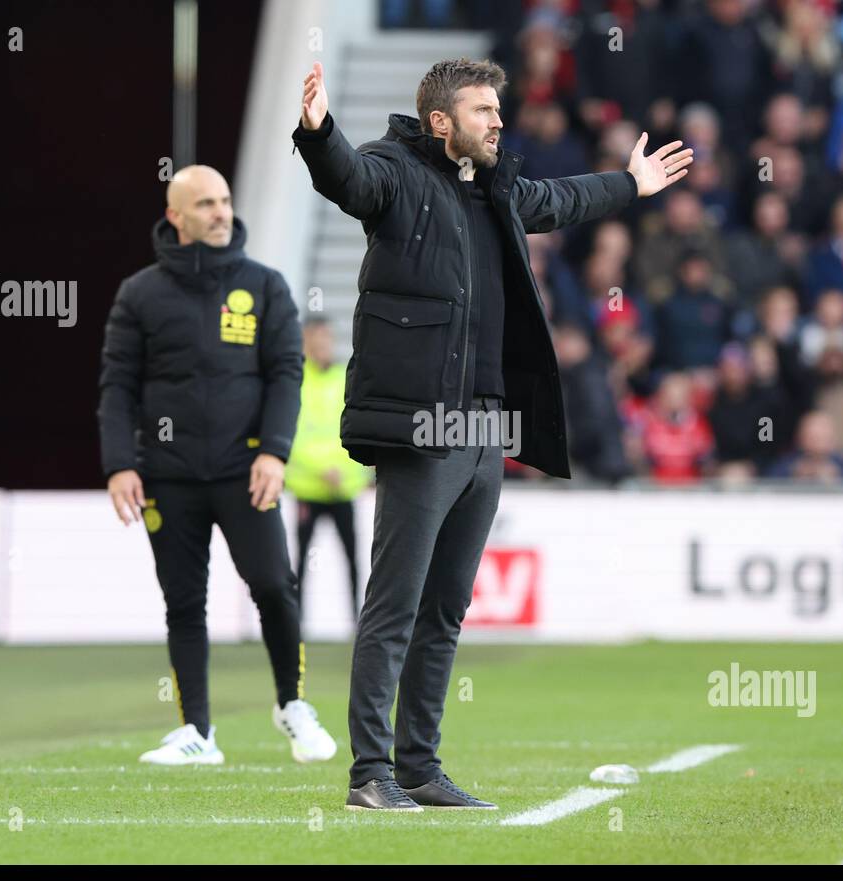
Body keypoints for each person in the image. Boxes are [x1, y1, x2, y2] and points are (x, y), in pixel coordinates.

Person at [293, 58, 691, 810]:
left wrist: (629, 185)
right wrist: (317, 133)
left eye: (499, 111)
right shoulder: (394, 171)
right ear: (441, 121)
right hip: (424, 426)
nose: (498, 122)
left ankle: (418, 766)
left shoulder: (499, 187)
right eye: (483, 111)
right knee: (396, 604)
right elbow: (348, 181)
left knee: (446, 607)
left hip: (485, 426)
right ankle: (369, 773)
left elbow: (560, 199)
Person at [97, 164, 336, 766]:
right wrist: (120, 464)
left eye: (225, 200)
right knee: (183, 603)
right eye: (205, 203)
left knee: (275, 588)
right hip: (167, 475)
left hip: (245, 469)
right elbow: (117, 387)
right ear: (176, 216)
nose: (221, 211)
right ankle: (197, 732)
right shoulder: (139, 293)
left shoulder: (265, 286)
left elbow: (286, 374)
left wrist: (275, 452)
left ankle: (292, 704)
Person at [284, 316, 372, 628]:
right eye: (317, 340)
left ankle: (357, 622)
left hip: (342, 488)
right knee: (299, 562)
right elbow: (291, 437)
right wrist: (322, 469)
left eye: (327, 339)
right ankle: (296, 624)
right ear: (306, 343)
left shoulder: (344, 379)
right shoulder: (295, 383)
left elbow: (354, 430)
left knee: (353, 558)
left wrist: (343, 470)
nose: (324, 346)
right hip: (308, 489)